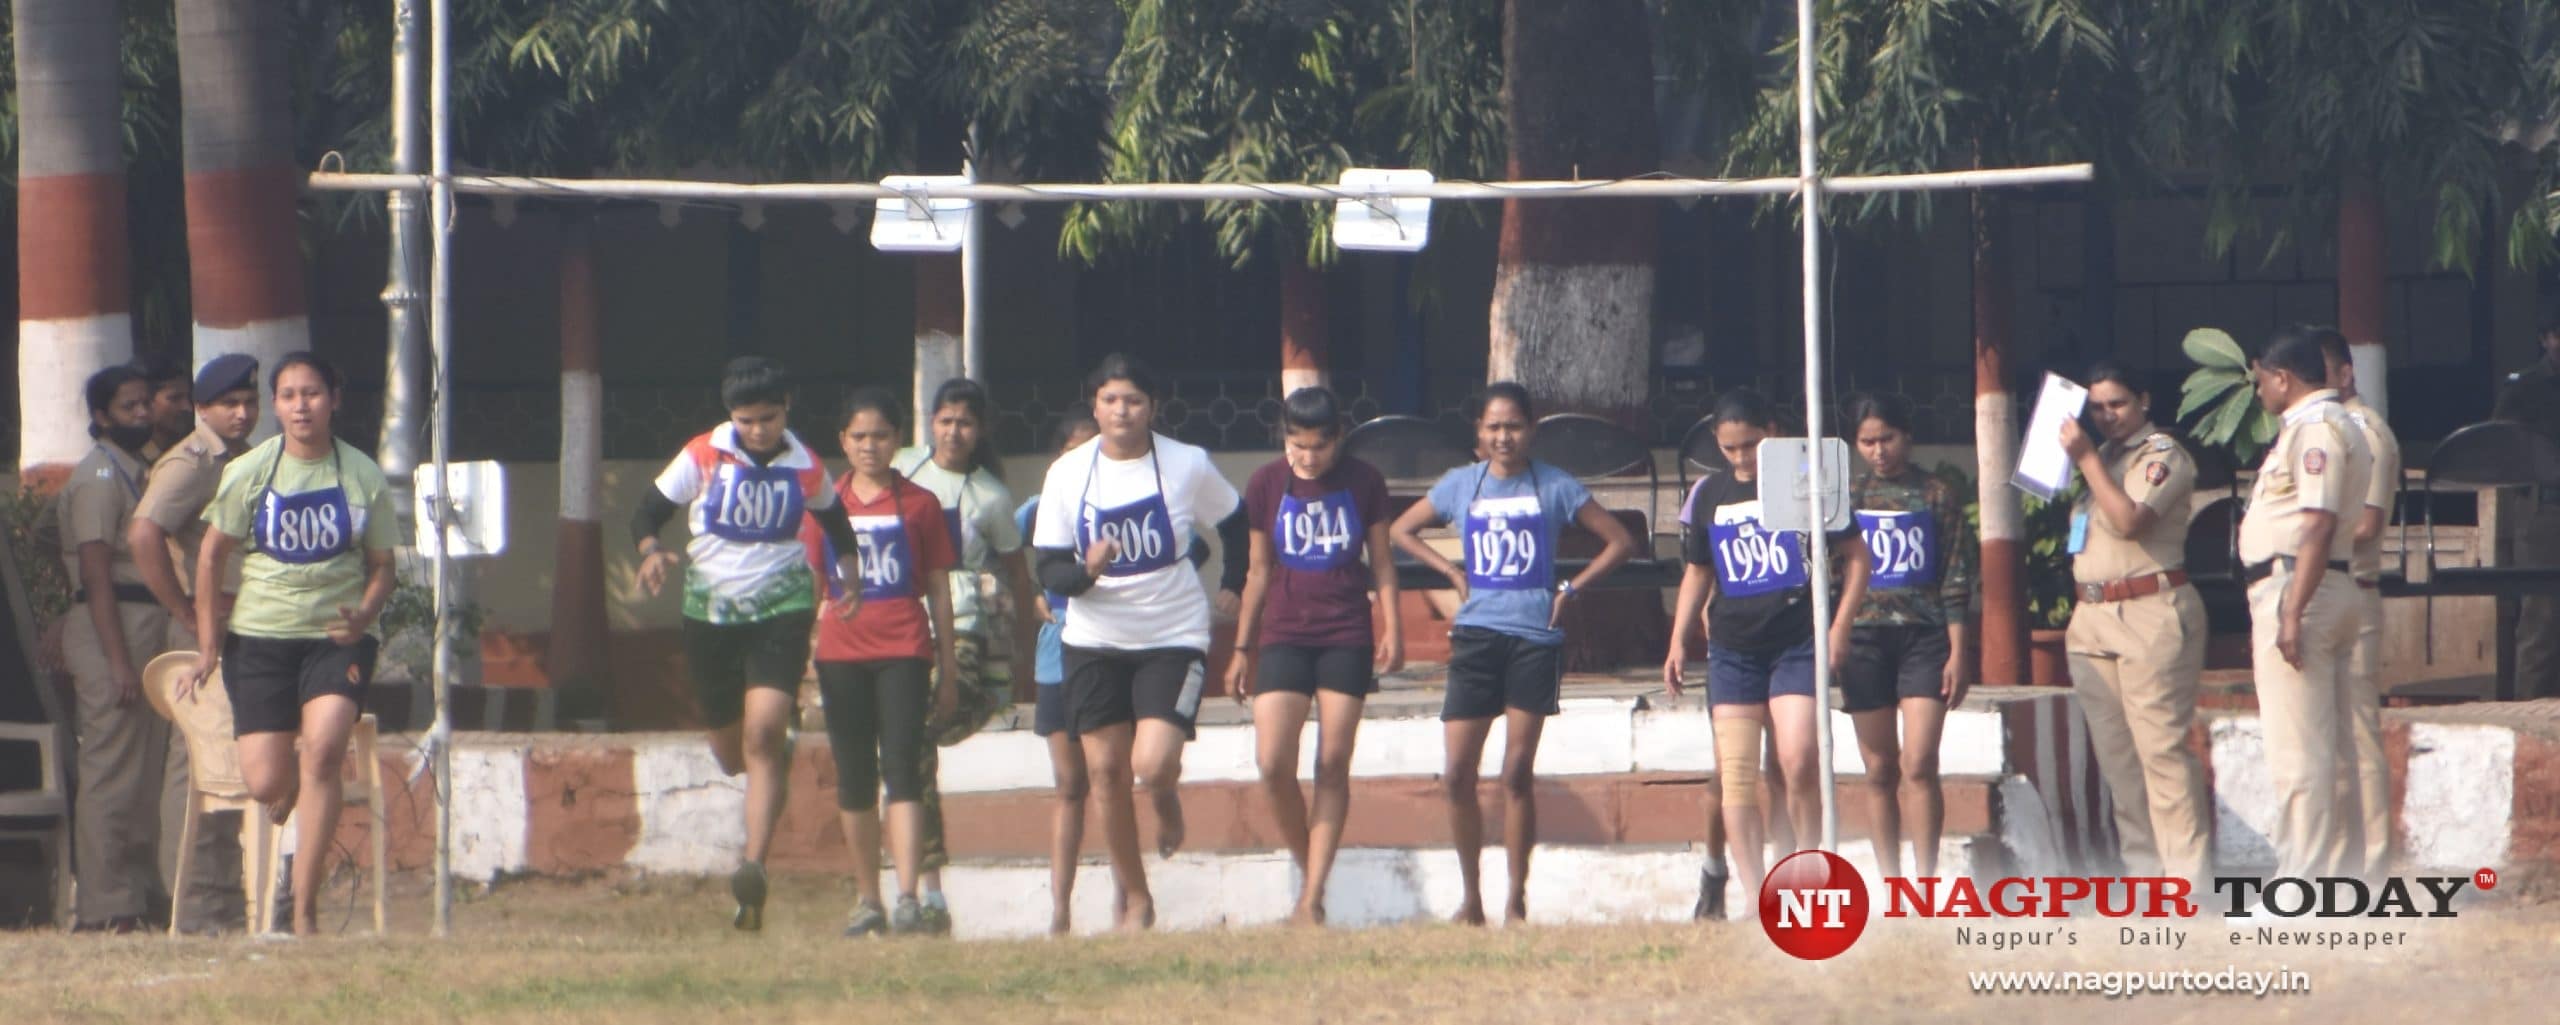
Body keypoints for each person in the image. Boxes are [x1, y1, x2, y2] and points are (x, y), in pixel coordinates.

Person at [628, 356, 865, 931]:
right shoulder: (703, 454)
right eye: (746, 419)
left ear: (787, 410)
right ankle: (769, 766)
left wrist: (848, 577)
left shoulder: (805, 465)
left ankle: (752, 866)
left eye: (769, 417)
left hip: (779, 612)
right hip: (709, 615)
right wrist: (650, 552)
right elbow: (647, 511)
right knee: (733, 754)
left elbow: (837, 526)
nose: (758, 430)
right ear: (729, 415)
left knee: (762, 732)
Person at [1391, 382, 1636, 926]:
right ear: (1478, 433)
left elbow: (1619, 541)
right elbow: (1401, 529)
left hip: (1533, 639)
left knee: (1517, 772)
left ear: (1531, 430)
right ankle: (1471, 899)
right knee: (1457, 772)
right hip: (1477, 635)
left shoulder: (1555, 485)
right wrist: (1452, 572)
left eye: (1514, 426)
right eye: (1493, 427)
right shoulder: (1461, 484)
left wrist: (1570, 590)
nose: (1504, 437)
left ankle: (1515, 900)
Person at [172, 352, 400, 937]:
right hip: (261, 638)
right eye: (290, 395)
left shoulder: (360, 474)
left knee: (324, 750)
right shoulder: (251, 473)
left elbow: (382, 566)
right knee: (266, 784)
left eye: (313, 393)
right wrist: (207, 647)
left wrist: (366, 612)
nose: (302, 405)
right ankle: (293, 793)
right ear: (276, 406)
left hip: (336, 640)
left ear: (334, 399)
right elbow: (210, 555)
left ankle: (302, 910)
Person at [1030, 354, 1248, 931]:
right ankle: (1136, 898)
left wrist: (1232, 584)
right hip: (1093, 638)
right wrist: (1086, 574)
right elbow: (1048, 568)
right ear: (1094, 405)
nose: (1121, 411)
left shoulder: (1186, 464)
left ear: (1153, 406)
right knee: (1104, 773)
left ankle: (1165, 792)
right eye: (1110, 400)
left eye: (1133, 400)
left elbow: (1234, 520)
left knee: (1149, 763)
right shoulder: (1067, 474)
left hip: (1170, 635)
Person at [1662, 388, 1869, 913]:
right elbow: (1698, 572)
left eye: (1750, 446)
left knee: (1798, 759)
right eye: (1729, 449)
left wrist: (1839, 627)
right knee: (1736, 772)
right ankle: (1759, 901)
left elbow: (1856, 557)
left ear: (1771, 433)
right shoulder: (1707, 495)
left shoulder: (1806, 483)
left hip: (1797, 640)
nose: (1740, 459)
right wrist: (1678, 639)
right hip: (1733, 648)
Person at [1227, 387, 1402, 926]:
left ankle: (1311, 900)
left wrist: (1391, 624)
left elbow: (1383, 562)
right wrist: (1240, 647)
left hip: (1345, 630)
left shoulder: (1365, 481)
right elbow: (1257, 570)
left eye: (1318, 447)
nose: (1307, 457)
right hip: (1283, 632)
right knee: (1272, 762)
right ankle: (1312, 870)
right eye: (1296, 446)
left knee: (1331, 763)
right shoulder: (1264, 483)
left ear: (1338, 437)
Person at [801, 388, 962, 938]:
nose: (870, 446)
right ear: (842, 442)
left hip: (905, 652)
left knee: (902, 773)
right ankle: (867, 898)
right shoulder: (823, 506)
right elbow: (813, 587)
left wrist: (949, 666)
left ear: (898, 440)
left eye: (881, 436)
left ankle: (910, 895)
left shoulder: (921, 504)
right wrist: (803, 662)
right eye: (859, 436)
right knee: (854, 776)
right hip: (839, 653)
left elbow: (939, 589)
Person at [889, 377, 1045, 933]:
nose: (954, 431)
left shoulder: (991, 496)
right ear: (930, 423)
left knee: (914, 742)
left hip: (962, 625)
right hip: (898, 621)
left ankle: (923, 888)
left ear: (980, 433)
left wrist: (1023, 652)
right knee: (911, 751)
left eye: (965, 422)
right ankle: (928, 892)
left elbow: (1017, 574)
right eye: (945, 420)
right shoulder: (902, 467)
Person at [2057, 364, 2212, 889]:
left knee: (2162, 756)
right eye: (2098, 407)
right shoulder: (2102, 458)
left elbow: (2130, 521)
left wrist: (2082, 458)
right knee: (2119, 765)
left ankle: (2187, 884)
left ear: (2143, 400)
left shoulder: (2163, 455)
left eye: (2118, 404)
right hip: (2092, 618)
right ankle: (2145, 882)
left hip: (2150, 611)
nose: (2107, 416)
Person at [127, 354, 261, 933]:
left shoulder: (241, 459)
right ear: (202, 408)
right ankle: (192, 902)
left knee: (232, 760)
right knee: (199, 764)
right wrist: (183, 606)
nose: (243, 412)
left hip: (239, 626)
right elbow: (144, 532)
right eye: (230, 403)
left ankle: (223, 900)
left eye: (249, 401)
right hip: (201, 630)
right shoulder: (195, 460)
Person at [2238, 327, 2376, 882]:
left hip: (2300, 587)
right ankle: (2339, 881)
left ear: (2282, 378)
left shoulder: (2314, 429)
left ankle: (2299, 884)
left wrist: (2291, 611)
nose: (2259, 393)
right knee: (2335, 749)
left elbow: (2316, 522)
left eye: (2261, 383)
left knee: (2298, 752)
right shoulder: (2339, 423)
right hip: (2329, 587)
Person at [58, 365, 182, 932]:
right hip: (114, 623)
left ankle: (140, 891)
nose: (140, 415)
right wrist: (115, 660)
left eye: (143, 404)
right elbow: (96, 572)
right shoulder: (100, 476)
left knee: (143, 769)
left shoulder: (140, 470)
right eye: (127, 407)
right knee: (109, 767)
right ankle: (104, 904)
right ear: (102, 416)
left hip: (145, 619)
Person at [1842, 393, 1976, 879]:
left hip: (1924, 638)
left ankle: (1925, 879)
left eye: (1888, 439)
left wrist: (1959, 651)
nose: (1880, 451)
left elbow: (1956, 575)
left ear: (1908, 438)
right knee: (1879, 769)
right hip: (1863, 641)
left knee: (1919, 762)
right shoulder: (1848, 499)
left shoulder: (1937, 493)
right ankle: (1890, 882)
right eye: (1868, 441)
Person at [2316, 330, 2401, 877]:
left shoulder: (2367, 433)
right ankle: (2340, 858)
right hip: (2326, 591)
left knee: (2359, 734)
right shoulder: (2321, 431)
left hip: (2355, 587)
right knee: (2330, 735)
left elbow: (2367, 525)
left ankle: (2373, 862)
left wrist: (2307, 536)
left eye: (2319, 371)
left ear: (2347, 373)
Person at [1016, 413, 1102, 935]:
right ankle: (1060, 909)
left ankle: (1129, 899)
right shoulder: (1038, 509)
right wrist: (1029, 596)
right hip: (1057, 653)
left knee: (1113, 778)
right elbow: (1002, 555)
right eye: (1070, 451)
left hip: (1114, 649)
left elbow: (1190, 547)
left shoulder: (1121, 500)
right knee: (1070, 783)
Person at [2494, 313, 2560, 701]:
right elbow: (2501, 448)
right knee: (2541, 621)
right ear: (2546, 338)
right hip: (2545, 514)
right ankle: (2529, 722)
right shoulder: (2525, 388)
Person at [138, 355, 194, 459]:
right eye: (175, 399)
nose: (187, 407)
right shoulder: (135, 462)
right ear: (146, 402)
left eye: (188, 398)